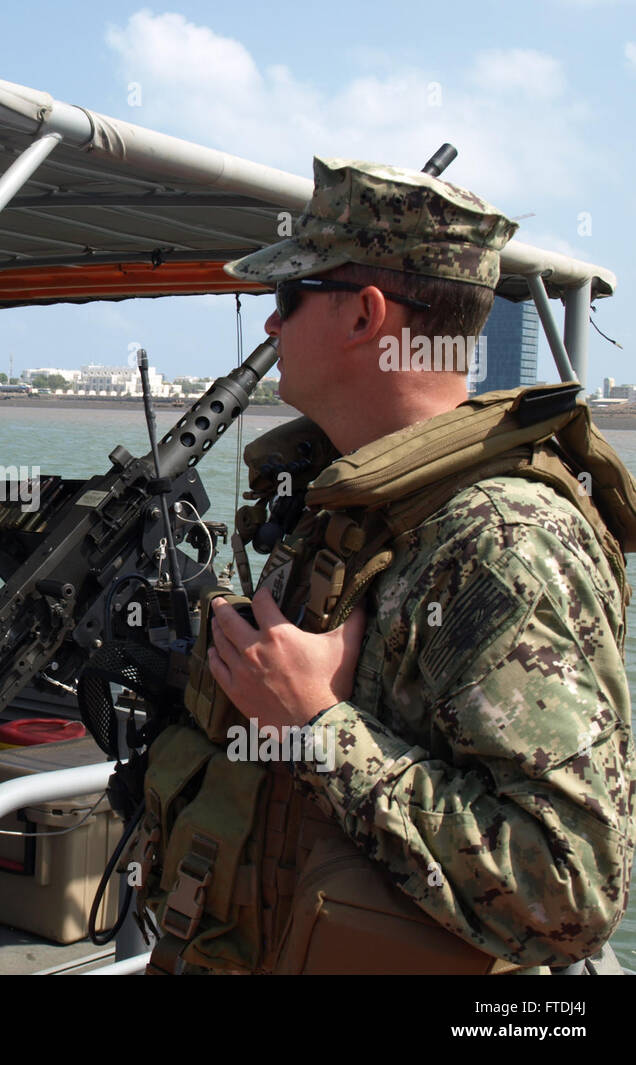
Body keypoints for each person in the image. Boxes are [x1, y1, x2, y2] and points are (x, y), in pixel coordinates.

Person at [133, 158, 635, 974]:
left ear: (365, 315)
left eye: (289, 298)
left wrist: (318, 728)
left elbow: (569, 890)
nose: (271, 327)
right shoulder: (357, 499)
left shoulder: (498, 539)